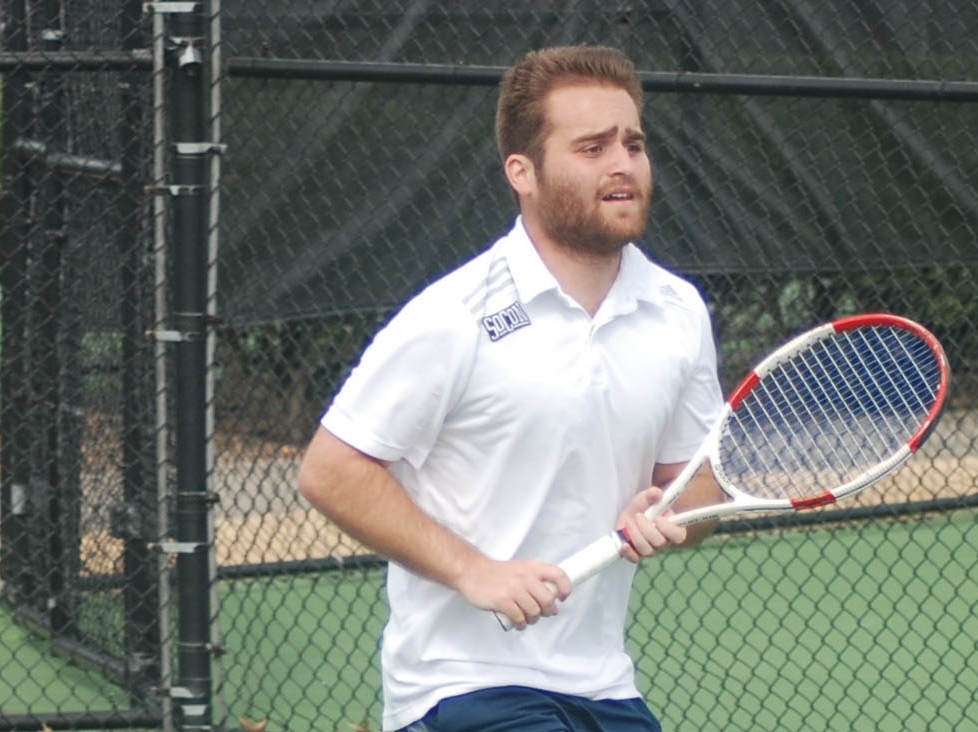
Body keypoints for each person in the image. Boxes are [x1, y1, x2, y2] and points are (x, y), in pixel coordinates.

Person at [297, 45, 725, 732]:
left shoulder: (676, 311)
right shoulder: (454, 314)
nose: (622, 164)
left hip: (604, 683)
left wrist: (673, 512)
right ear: (521, 173)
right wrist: (475, 572)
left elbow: (701, 487)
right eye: (591, 147)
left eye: (633, 143)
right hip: (460, 686)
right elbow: (331, 469)